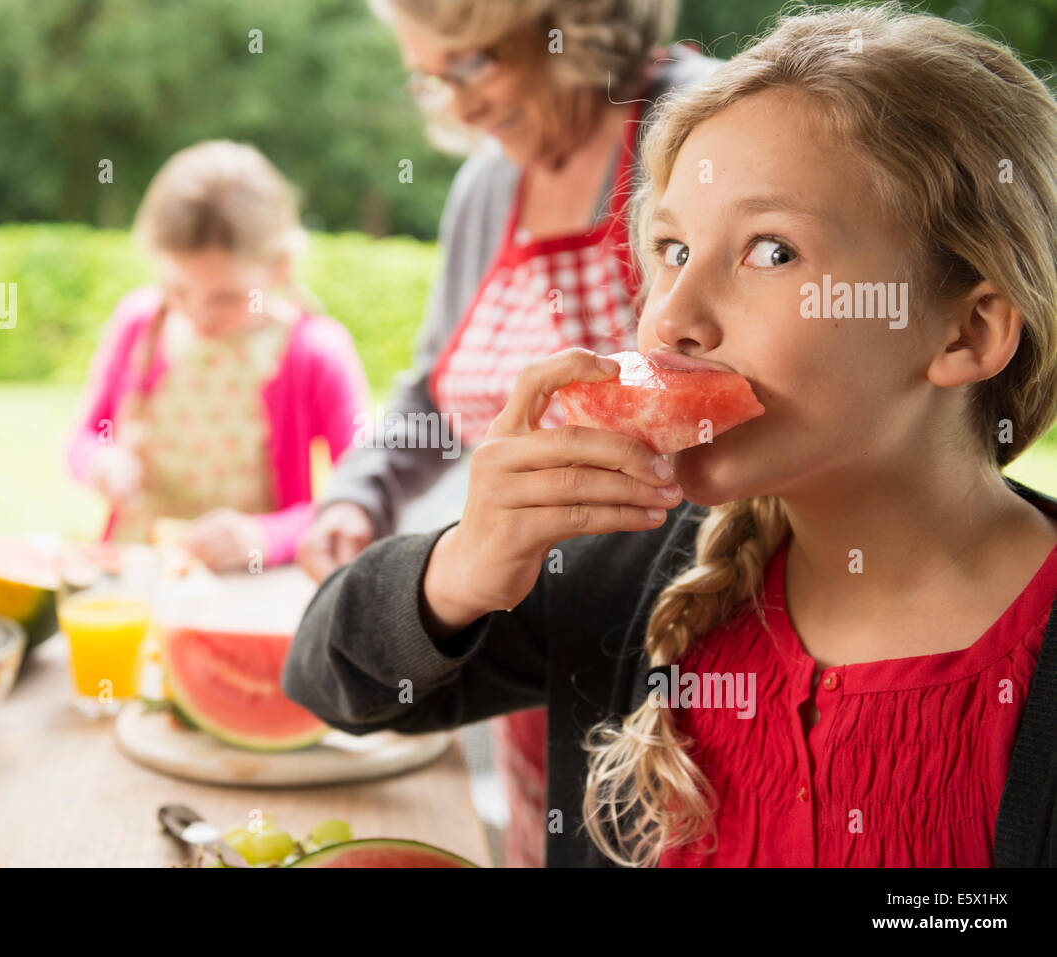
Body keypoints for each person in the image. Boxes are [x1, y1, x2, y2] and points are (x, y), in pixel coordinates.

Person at [282, 3, 1057, 867]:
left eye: (770, 251)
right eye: (672, 250)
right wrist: (461, 566)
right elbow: (327, 677)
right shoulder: (628, 567)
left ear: (967, 332)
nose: (667, 321)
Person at [299, 0, 720, 868]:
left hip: (691, 627)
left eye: (477, 64)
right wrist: (359, 489)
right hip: (535, 630)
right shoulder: (490, 184)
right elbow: (435, 379)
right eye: (430, 77)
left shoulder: (699, 125)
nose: (458, 106)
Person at [65, 141, 370, 572]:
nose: (199, 315)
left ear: (280, 266)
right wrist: (100, 462)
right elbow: (85, 435)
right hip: (139, 571)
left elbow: (360, 496)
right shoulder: (140, 324)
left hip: (251, 584)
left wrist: (267, 536)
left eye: (226, 298)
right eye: (178, 288)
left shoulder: (315, 351)